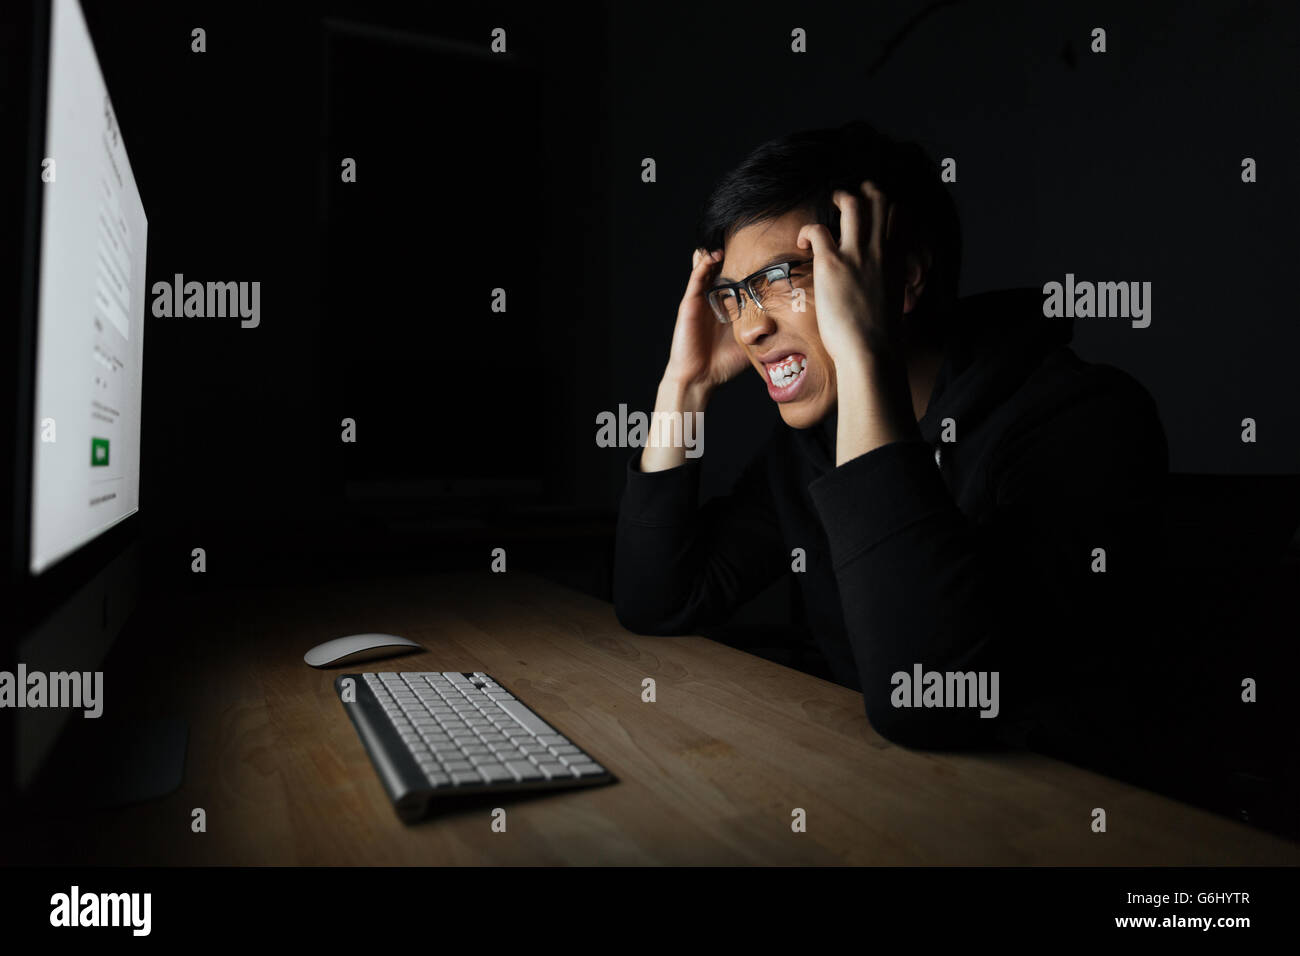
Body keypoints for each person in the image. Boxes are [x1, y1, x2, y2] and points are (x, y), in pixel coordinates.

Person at [612, 120, 1168, 752]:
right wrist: (682, 388)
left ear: (899, 278)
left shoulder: (1084, 419)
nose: (749, 328)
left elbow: (926, 699)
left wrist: (863, 358)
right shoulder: (813, 447)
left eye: (780, 278)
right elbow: (658, 601)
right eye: (735, 296)